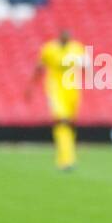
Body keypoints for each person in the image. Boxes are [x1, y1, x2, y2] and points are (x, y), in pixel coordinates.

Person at [28, 29, 88, 171]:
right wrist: (30, 87)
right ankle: (67, 160)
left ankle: (65, 157)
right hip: (55, 90)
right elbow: (39, 68)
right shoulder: (49, 49)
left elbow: (86, 66)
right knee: (62, 122)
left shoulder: (77, 48)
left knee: (69, 124)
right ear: (60, 38)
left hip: (73, 90)